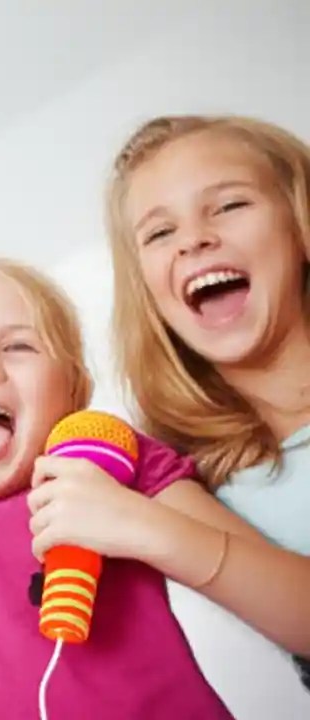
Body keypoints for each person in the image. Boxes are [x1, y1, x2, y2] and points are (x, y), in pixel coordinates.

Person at [0, 257, 234, 718]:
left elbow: (271, 585)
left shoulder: (110, 462)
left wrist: (143, 525)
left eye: (18, 346)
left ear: (76, 392)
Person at [103, 114, 310, 689]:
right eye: (159, 233)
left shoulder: (158, 513)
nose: (194, 239)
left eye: (228, 206)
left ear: (300, 223)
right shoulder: (172, 473)